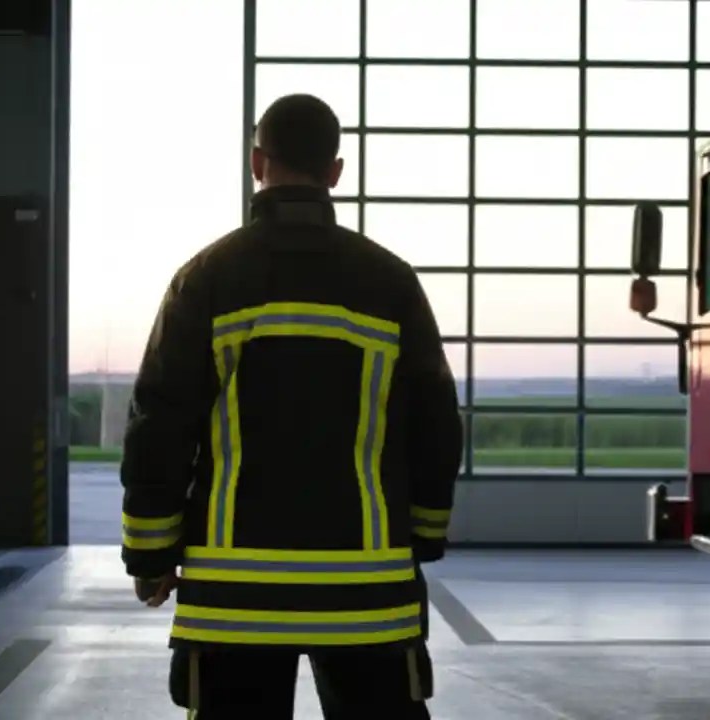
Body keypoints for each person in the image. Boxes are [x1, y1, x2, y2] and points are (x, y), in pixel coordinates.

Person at [118, 92, 463, 719]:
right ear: (335, 171)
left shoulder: (205, 279)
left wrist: (151, 552)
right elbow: (436, 420)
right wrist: (424, 536)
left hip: (233, 598)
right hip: (367, 593)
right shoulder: (391, 282)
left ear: (258, 162)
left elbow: (160, 422)